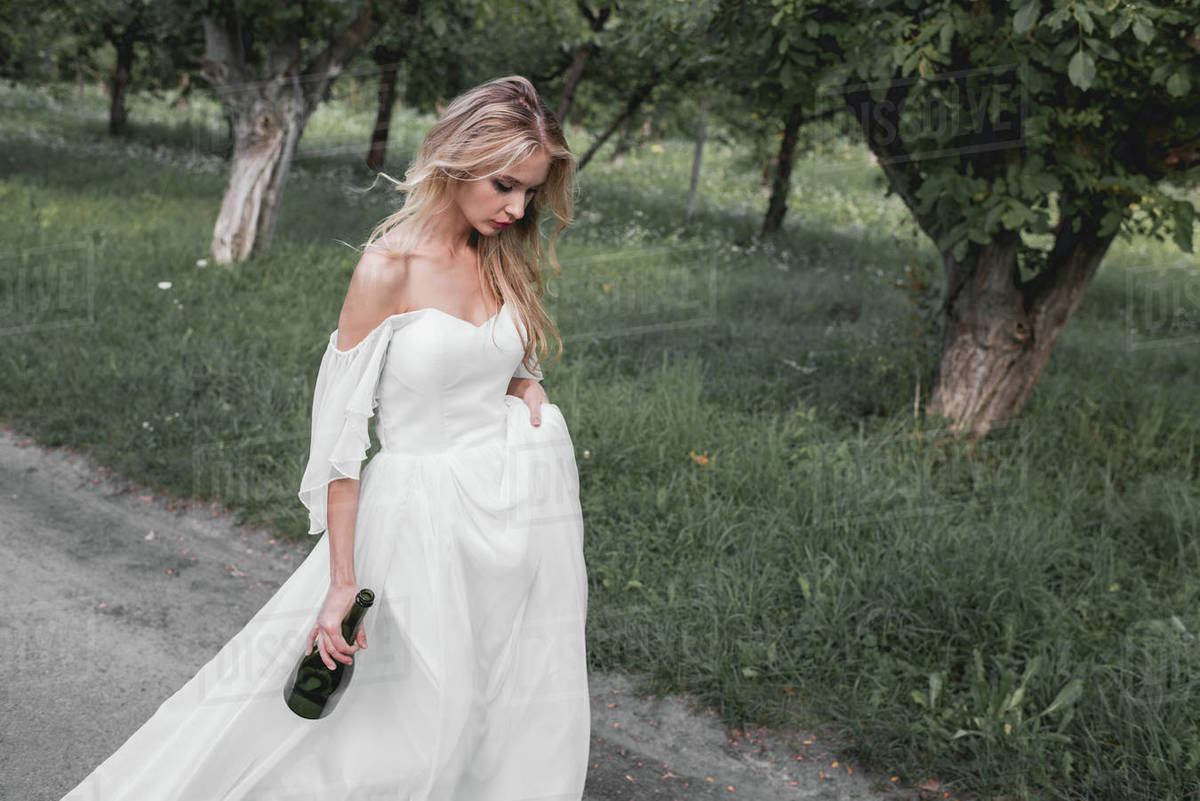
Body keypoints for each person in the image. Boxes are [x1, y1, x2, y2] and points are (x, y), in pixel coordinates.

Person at [59, 75, 590, 800]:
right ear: (458, 162)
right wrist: (343, 581)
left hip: (506, 516)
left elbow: (500, 363)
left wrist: (523, 383)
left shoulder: (500, 257)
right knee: (397, 726)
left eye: (529, 191)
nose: (518, 207)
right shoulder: (387, 269)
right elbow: (342, 445)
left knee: (494, 701)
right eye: (505, 185)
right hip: (417, 520)